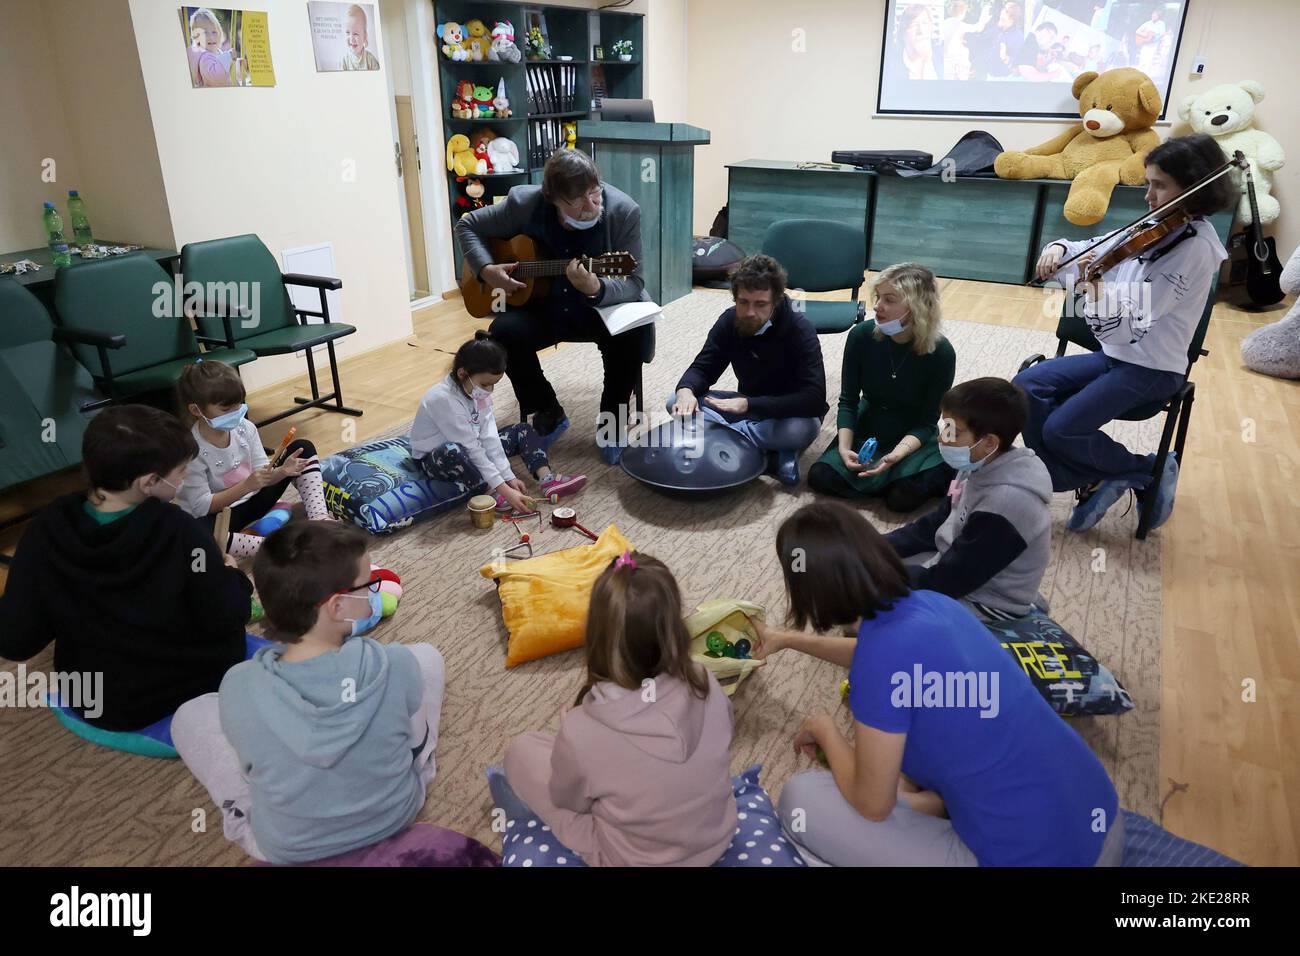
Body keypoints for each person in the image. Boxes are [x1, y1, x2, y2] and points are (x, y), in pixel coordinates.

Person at [753, 501, 1124, 867]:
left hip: (1038, 858)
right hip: (1104, 821)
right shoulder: (935, 605)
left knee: (800, 798)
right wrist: (786, 639)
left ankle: (932, 805)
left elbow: (872, 804)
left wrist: (825, 729)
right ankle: (934, 803)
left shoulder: (879, 663)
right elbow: (872, 653)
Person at [171, 521, 445, 864]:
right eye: (368, 584)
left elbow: (249, 758)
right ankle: (408, 767)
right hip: (395, 816)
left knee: (190, 714)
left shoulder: (239, 684)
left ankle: (251, 806)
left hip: (287, 848)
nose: (374, 590)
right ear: (337, 607)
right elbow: (410, 719)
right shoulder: (393, 662)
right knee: (427, 657)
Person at [1013, 134, 1236, 533]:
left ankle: (1146, 468)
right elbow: (1093, 246)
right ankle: (1091, 475)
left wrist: (1093, 293)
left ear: (1193, 186)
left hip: (1152, 368)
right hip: (1114, 358)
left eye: (1159, 185)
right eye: (1148, 183)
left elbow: (1129, 328)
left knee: (1061, 428)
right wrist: (1060, 249)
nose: (1148, 196)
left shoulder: (1196, 249)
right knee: (1025, 388)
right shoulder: (1155, 226)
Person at [0, 405, 250, 730]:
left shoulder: (45, 527)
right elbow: (227, 614)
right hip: (183, 687)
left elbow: (17, 641)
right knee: (228, 616)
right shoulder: (177, 529)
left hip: (97, 698)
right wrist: (232, 575)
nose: (185, 477)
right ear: (149, 482)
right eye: (182, 472)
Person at [496, 552, 737, 866]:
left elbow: (568, 799)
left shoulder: (582, 731)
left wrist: (573, 739)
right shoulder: (705, 680)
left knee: (522, 751)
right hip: (715, 840)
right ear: (675, 626)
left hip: (632, 859)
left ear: (597, 634)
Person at [456, 148, 649, 465]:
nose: (590, 206)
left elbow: (634, 281)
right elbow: (467, 226)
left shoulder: (623, 212)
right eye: (577, 201)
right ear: (554, 199)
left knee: (630, 333)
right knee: (502, 332)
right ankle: (547, 411)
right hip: (544, 305)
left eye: (594, 193)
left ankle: (612, 424)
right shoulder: (525, 204)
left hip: (597, 309)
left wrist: (597, 288)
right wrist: (486, 270)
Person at [885, 377, 1053, 621]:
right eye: (945, 427)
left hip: (985, 602)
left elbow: (950, 581)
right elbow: (936, 523)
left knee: (867, 611)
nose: (942, 438)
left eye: (954, 431)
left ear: (989, 443)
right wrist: (874, 547)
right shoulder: (976, 464)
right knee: (873, 562)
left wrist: (877, 575)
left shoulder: (1007, 503)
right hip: (957, 561)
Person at [808, 263, 956, 512]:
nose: (877, 306)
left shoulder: (941, 352)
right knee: (820, 476)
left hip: (912, 431)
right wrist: (845, 449)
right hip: (869, 421)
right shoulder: (861, 336)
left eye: (889, 300)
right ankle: (884, 481)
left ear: (916, 307)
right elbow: (848, 401)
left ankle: (935, 469)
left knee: (902, 500)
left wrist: (896, 456)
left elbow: (928, 421)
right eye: (878, 297)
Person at [670, 255, 827, 486]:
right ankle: (772, 455)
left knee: (799, 430)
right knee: (675, 401)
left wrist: (750, 405)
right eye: (743, 302)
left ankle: (727, 441)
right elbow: (704, 367)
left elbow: (814, 399)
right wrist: (686, 390)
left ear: (775, 300)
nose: (750, 312)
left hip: (786, 413)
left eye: (760, 304)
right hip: (747, 407)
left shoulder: (800, 330)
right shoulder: (729, 321)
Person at [409, 331, 586, 515]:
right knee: (455, 451)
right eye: (485, 384)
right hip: (435, 458)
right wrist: (503, 489)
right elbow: (471, 448)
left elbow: (489, 436)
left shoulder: (476, 392)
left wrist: (508, 476)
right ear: (462, 373)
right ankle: (489, 492)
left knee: (522, 430)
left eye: (494, 384)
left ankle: (547, 479)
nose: (489, 390)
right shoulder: (442, 399)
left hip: (471, 445)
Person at [174, 360, 331, 559]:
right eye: (226, 409)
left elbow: (263, 473)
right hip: (222, 515)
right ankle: (275, 549)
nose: (236, 413)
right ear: (196, 410)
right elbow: (201, 506)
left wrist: (282, 471)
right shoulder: (190, 449)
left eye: (239, 405)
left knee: (303, 448)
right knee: (195, 535)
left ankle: (319, 519)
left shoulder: (245, 428)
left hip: (255, 499)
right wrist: (246, 486)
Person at [341, 4, 381, 71]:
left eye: (355, 34)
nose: (351, 38)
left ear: (364, 36)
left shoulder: (371, 60)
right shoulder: (345, 61)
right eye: (347, 32)